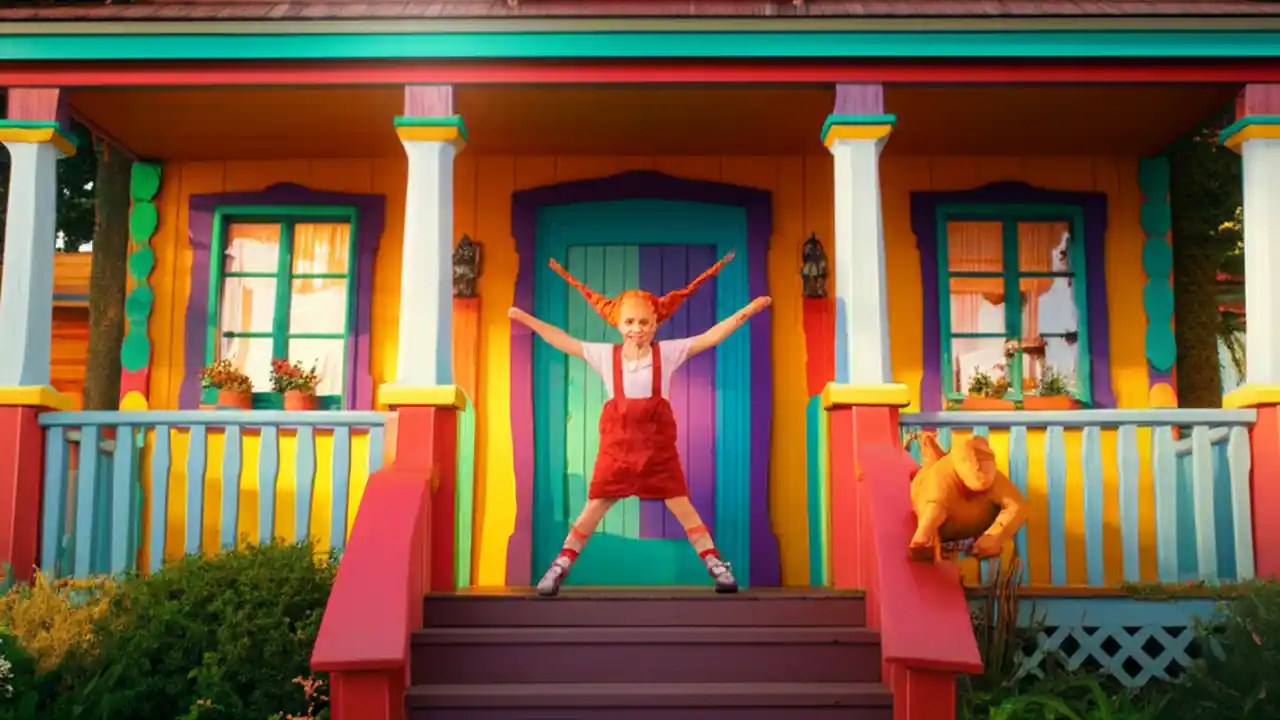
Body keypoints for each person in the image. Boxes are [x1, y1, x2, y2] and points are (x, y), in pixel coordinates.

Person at [508, 250, 771, 596]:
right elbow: (563, 341)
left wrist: (748, 311)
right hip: (617, 452)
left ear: (656, 323)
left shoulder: (669, 352)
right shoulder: (605, 356)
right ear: (617, 324)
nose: (637, 329)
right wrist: (525, 319)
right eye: (629, 323)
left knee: (683, 506)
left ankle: (716, 566)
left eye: (644, 323)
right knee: (593, 509)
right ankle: (558, 568)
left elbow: (711, 337)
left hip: (657, 453)